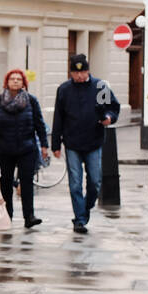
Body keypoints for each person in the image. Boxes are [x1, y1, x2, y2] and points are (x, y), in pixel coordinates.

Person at [50, 53, 121, 234]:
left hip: (94, 141)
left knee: (95, 182)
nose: (80, 76)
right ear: (71, 73)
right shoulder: (64, 89)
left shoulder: (100, 87)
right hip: (72, 142)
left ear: (88, 70)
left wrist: (108, 118)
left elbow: (112, 107)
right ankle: (80, 219)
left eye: (83, 72)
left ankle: (85, 208)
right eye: (75, 73)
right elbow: (58, 117)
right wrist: (55, 144)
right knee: (75, 183)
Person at [0, 68, 50, 228]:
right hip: (4, 149)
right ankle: (7, 214)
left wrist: (44, 145)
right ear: (6, 82)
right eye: (12, 79)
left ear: (23, 83)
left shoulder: (31, 100)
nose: (15, 81)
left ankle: (29, 216)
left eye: (18, 79)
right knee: (6, 184)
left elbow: (39, 124)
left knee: (27, 183)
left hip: (27, 148)